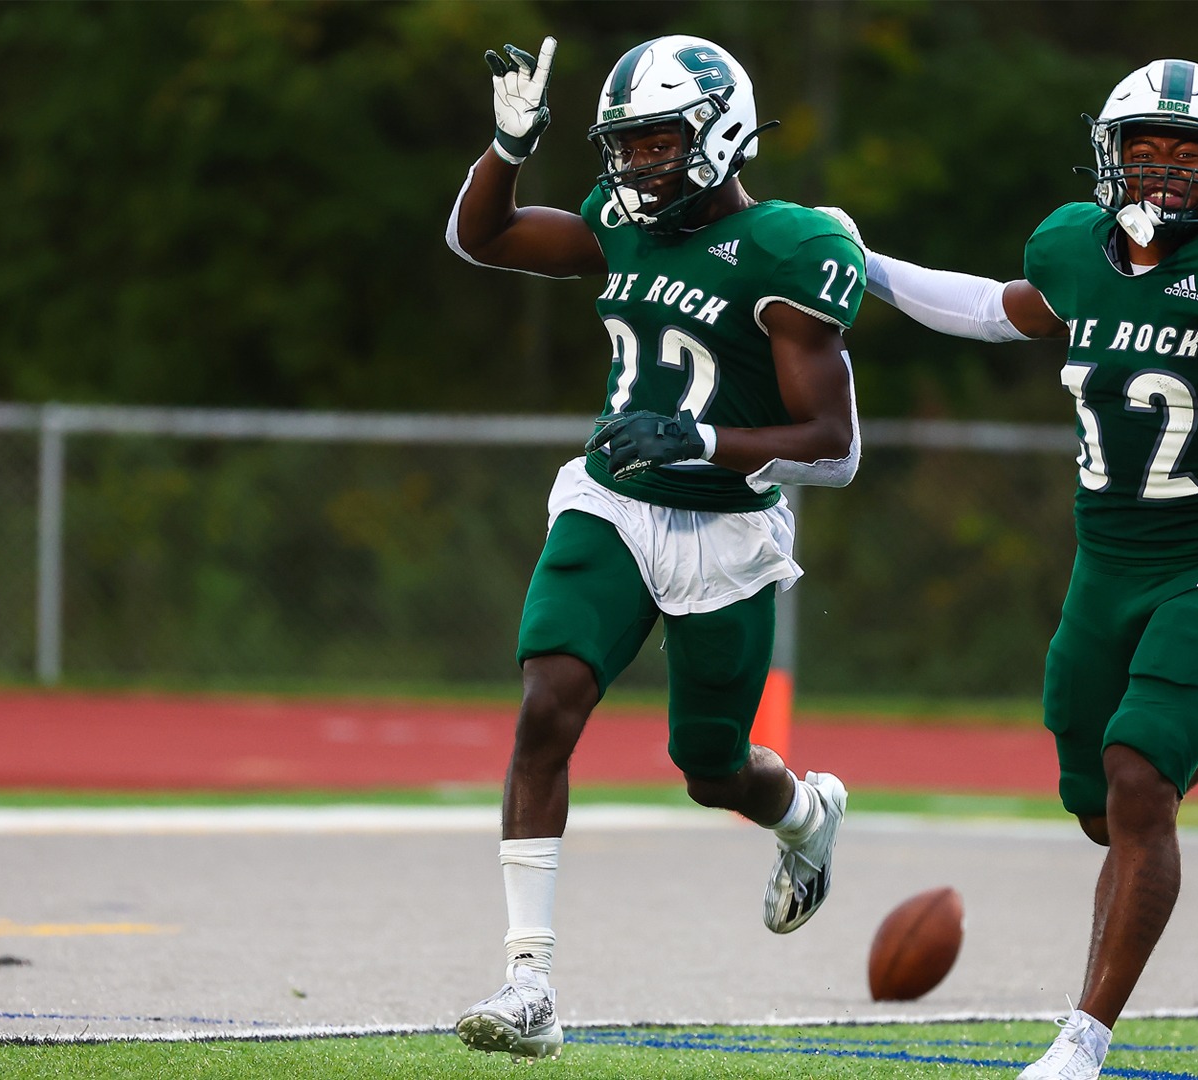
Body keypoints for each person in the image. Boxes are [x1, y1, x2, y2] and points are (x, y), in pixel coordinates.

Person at [835, 59, 1198, 1079]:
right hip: (1104, 571)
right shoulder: (1072, 251)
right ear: (1107, 159)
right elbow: (995, 307)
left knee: (1134, 783)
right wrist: (868, 265)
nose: (1162, 170)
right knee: (1098, 808)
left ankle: (1083, 1041)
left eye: (1186, 151)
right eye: (1143, 150)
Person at [444, 34, 869, 1060]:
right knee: (548, 701)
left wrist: (707, 439)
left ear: (722, 133)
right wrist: (505, 148)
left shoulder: (788, 245)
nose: (635, 166)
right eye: (623, 146)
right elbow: (482, 238)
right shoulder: (621, 224)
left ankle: (805, 816)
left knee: (711, 768)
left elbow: (835, 449)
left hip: (724, 529)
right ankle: (529, 981)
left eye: (658, 143)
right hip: (613, 499)